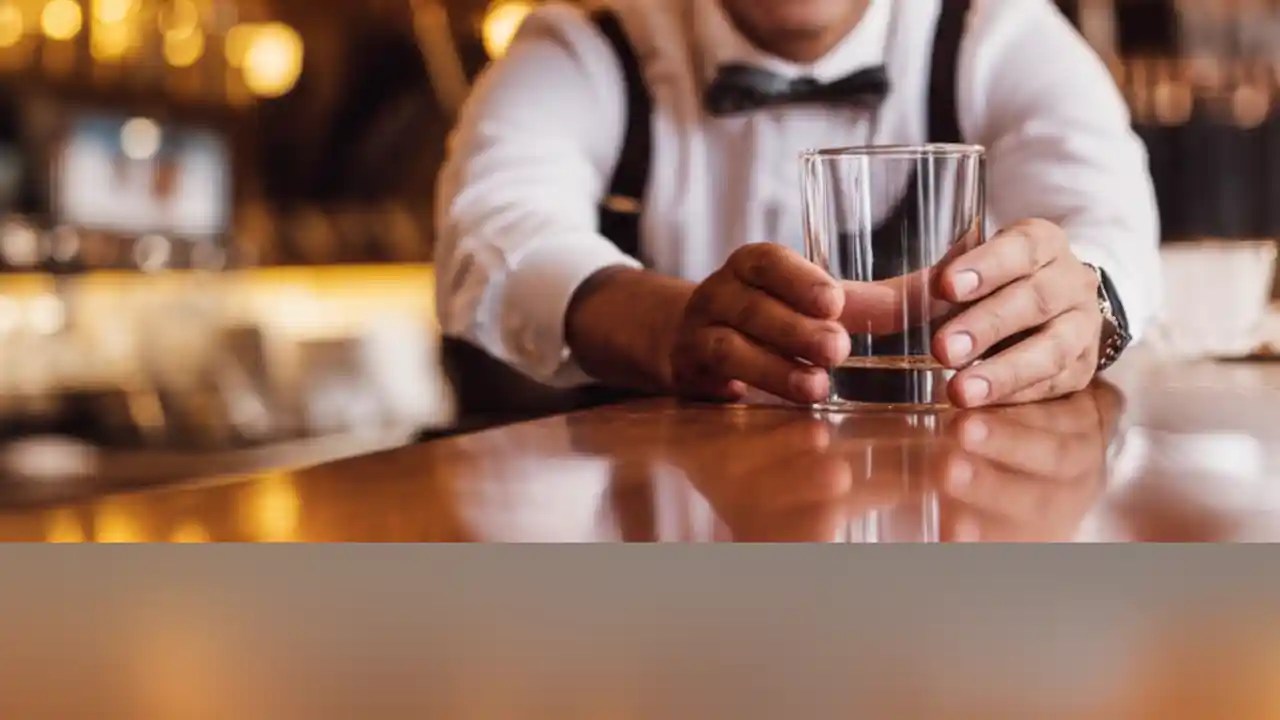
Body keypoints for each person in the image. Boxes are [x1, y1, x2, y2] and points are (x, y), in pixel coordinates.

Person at [435, 0, 1159, 411]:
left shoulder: (996, 30)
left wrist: (1081, 308)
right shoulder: (591, 40)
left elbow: (1109, 228)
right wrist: (670, 326)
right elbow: (490, 237)